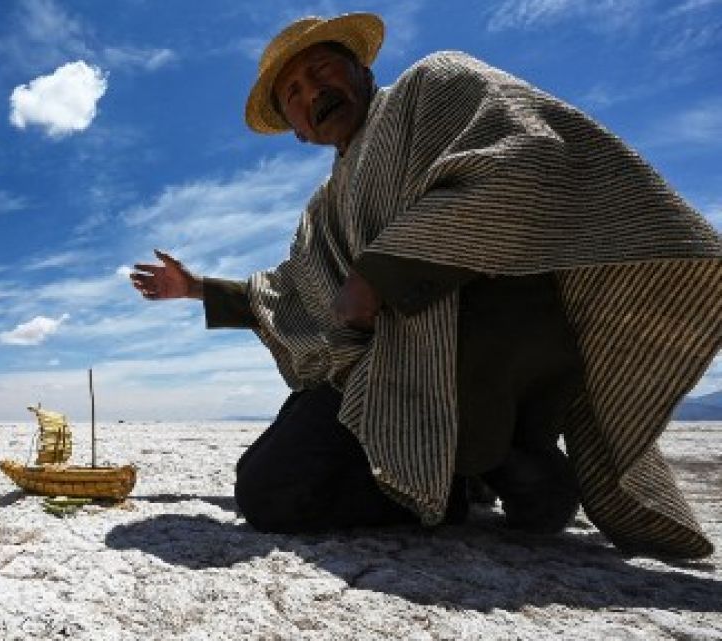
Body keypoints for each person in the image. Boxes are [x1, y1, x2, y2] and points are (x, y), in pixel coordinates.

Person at [130, 12, 722, 558]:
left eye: (321, 71)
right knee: (271, 484)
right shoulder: (322, 211)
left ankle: (487, 459)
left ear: (362, 69)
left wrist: (382, 273)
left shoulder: (432, 88)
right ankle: (480, 473)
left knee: (273, 492)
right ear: (297, 130)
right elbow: (291, 292)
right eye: (293, 94)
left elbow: (530, 157)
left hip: (490, 342)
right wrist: (197, 288)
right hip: (388, 370)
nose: (313, 93)